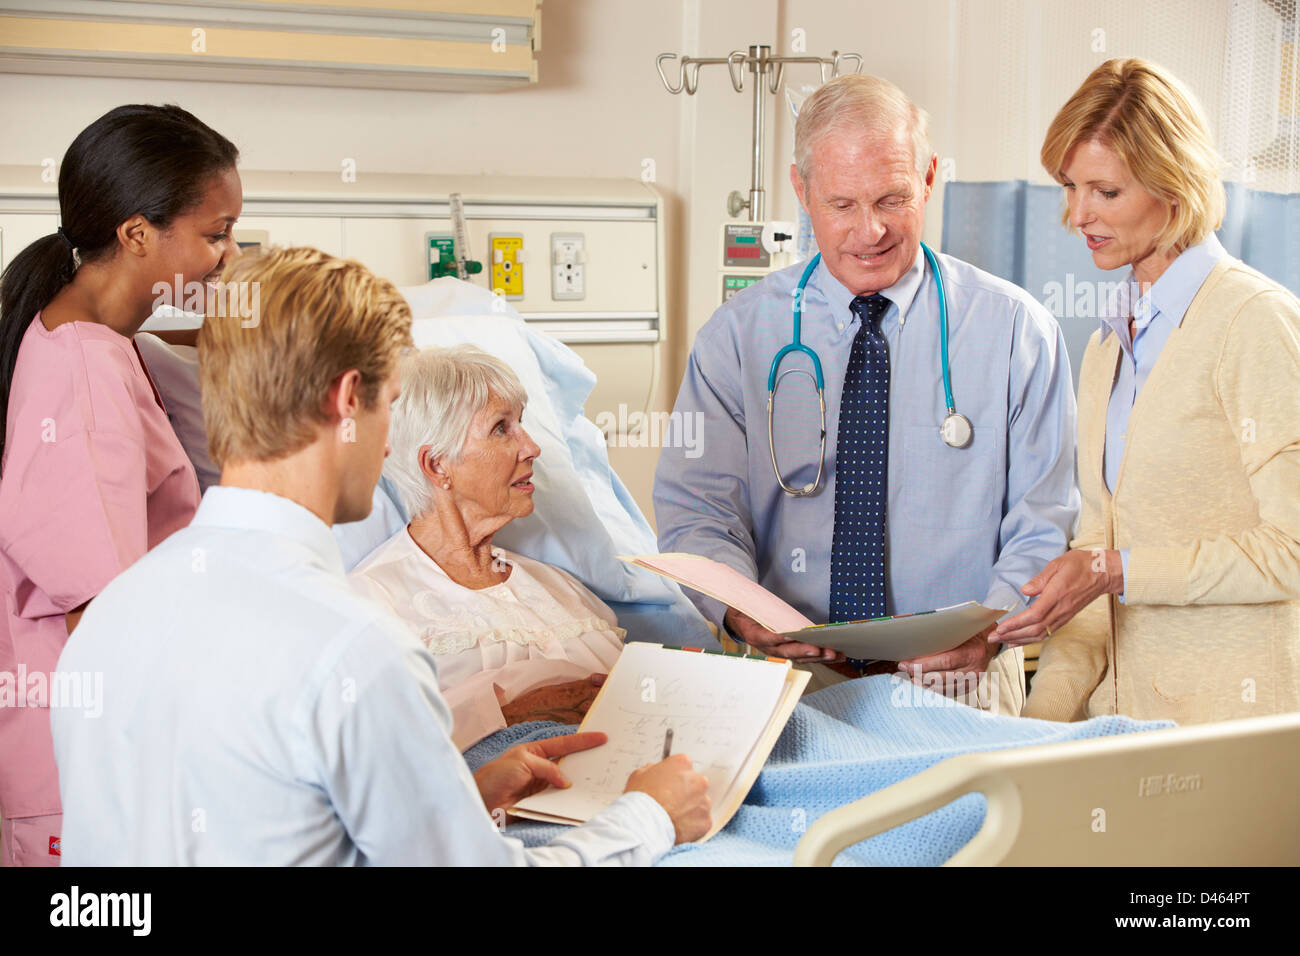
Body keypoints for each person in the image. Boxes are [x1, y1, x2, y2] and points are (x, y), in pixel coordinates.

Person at [51, 246, 711, 865]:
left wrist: (460, 798)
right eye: (392, 405)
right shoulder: (357, 649)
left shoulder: (110, 620)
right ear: (346, 403)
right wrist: (649, 815)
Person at [654, 74, 1078, 713]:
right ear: (802, 191)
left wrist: (991, 629)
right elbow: (697, 510)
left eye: (892, 199)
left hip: (961, 678)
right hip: (790, 677)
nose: (870, 230)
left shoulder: (1017, 330)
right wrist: (741, 611)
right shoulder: (738, 337)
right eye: (842, 204)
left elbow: (1043, 517)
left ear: (930, 177)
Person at [995, 59, 1300, 724]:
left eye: (1105, 192)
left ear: (1175, 186)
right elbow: (1097, 563)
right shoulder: (1108, 345)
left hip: (1237, 726)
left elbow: (1292, 550)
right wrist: (1035, 728)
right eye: (1070, 188)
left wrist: (1115, 569)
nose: (1078, 215)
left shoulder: (1254, 322)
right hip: (1126, 726)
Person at [0, 104, 241, 866]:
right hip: (82, 775)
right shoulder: (84, 377)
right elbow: (101, 620)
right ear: (138, 234)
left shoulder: (101, 342)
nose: (228, 256)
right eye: (215, 234)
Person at [351, 345, 622, 751]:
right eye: (501, 428)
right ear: (438, 465)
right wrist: (506, 716)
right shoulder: (373, 601)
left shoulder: (561, 589)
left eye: (522, 424)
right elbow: (371, 754)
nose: (532, 447)